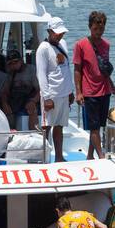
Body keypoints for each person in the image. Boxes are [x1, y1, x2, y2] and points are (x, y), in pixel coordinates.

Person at [74, 10, 115, 160]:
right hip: (90, 93)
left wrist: (112, 86)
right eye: (96, 29)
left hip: (104, 91)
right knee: (94, 128)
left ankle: (89, 156)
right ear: (90, 27)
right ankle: (101, 156)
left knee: (98, 127)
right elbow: (77, 70)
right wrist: (79, 92)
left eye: (101, 29)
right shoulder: (80, 45)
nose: (98, 32)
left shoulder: (106, 45)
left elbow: (104, 69)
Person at [35, 17, 74, 163]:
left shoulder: (62, 44)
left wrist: (70, 91)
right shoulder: (43, 49)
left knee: (59, 127)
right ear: (50, 31)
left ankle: (59, 156)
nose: (60, 35)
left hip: (64, 94)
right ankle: (43, 158)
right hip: (51, 94)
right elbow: (41, 74)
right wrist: (47, 97)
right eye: (57, 33)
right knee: (46, 128)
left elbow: (66, 70)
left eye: (61, 33)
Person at [4, 50, 40, 129]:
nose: (13, 65)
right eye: (10, 63)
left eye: (15, 62)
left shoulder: (31, 70)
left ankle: (34, 134)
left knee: (31, 108)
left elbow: (40, 90)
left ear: (21, 60)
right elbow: (5, 91)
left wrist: (33, 101)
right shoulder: (10, 73)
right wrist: (5, 103)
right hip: (15, 99)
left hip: (29, 97)